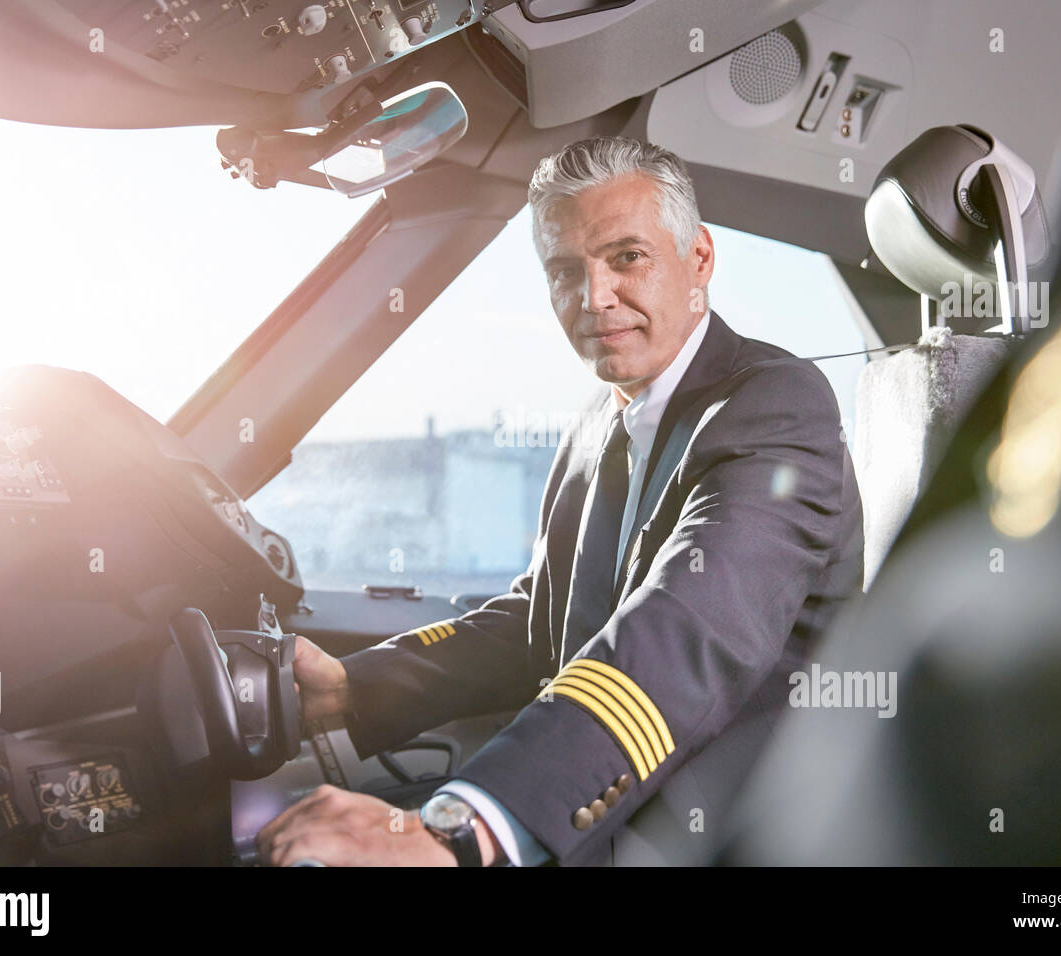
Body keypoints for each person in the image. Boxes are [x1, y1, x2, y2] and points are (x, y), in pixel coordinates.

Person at [257, 135, 865, 867]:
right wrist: (356, 686)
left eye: (627, 257)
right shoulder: (596, 426)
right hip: (607, 818)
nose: (594, 296)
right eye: (565, 271)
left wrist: (466, 826)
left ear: (698, 259)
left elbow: (685, 629)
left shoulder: (774, 403)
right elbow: (539, 617)